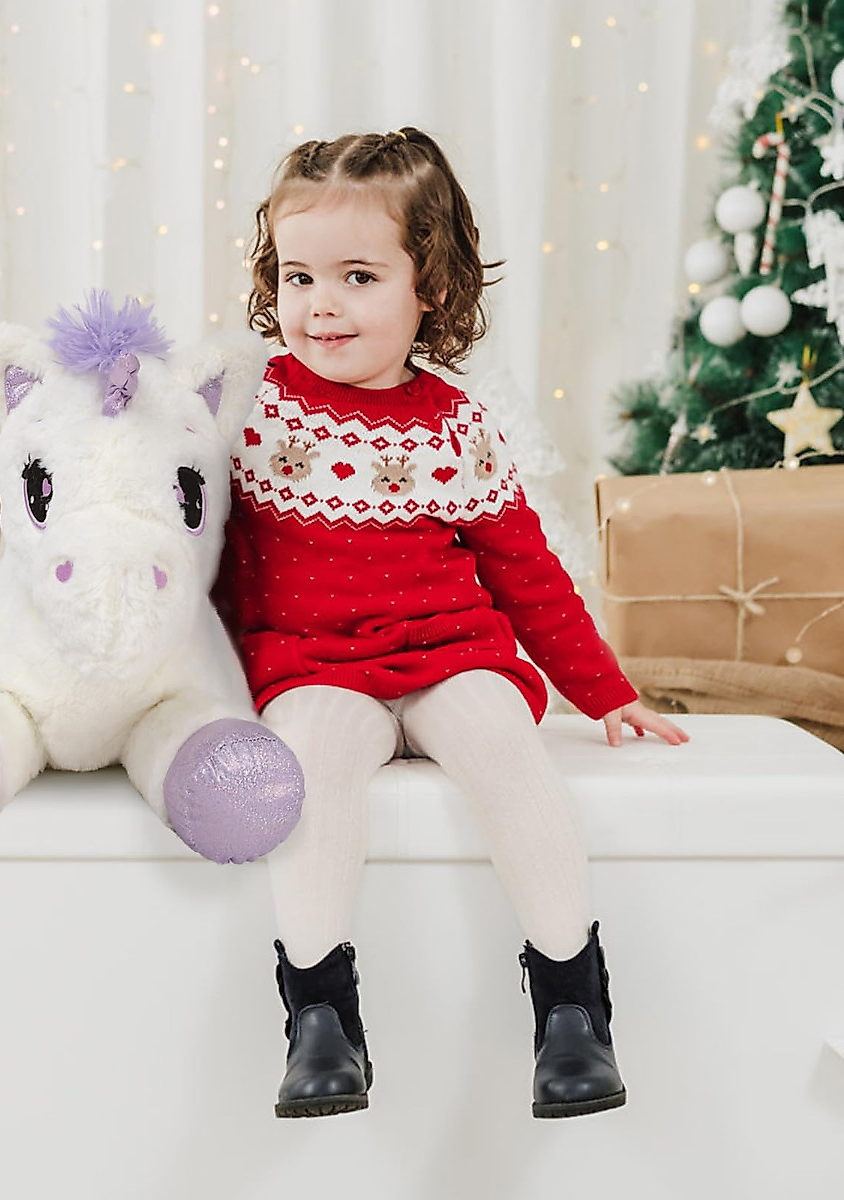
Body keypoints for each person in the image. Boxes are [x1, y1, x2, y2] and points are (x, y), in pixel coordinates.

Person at [215, 127, 688, 1121]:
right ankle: (320, 1016)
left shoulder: (453, 425)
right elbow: (196, 544)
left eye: (357, 277)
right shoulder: (247, 407)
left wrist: (604, 690)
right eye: (298, 277)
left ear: (429, 285)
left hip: (448, 656)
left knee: (505, 747)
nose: (321, 304)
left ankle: (571, 1006)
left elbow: (527, 572)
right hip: (309, 668)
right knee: (307, 763)